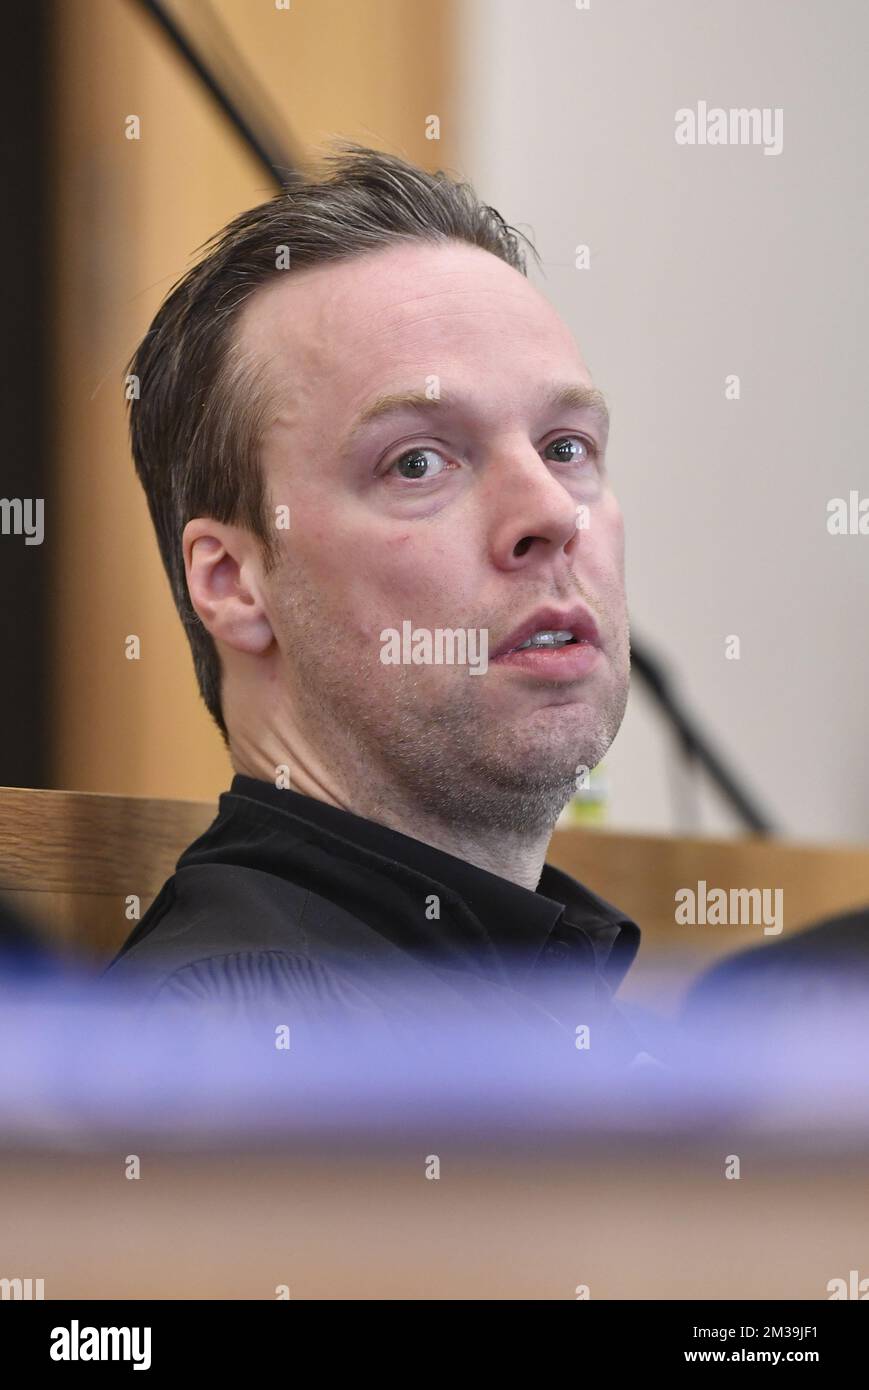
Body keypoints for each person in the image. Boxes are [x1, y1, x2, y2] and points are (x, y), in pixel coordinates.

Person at [104, 143, 643, 1064]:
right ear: (233, 584)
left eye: (563, 447)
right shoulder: (226, 1041)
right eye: (418, 462)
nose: (551, 515)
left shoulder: (568, 1003)